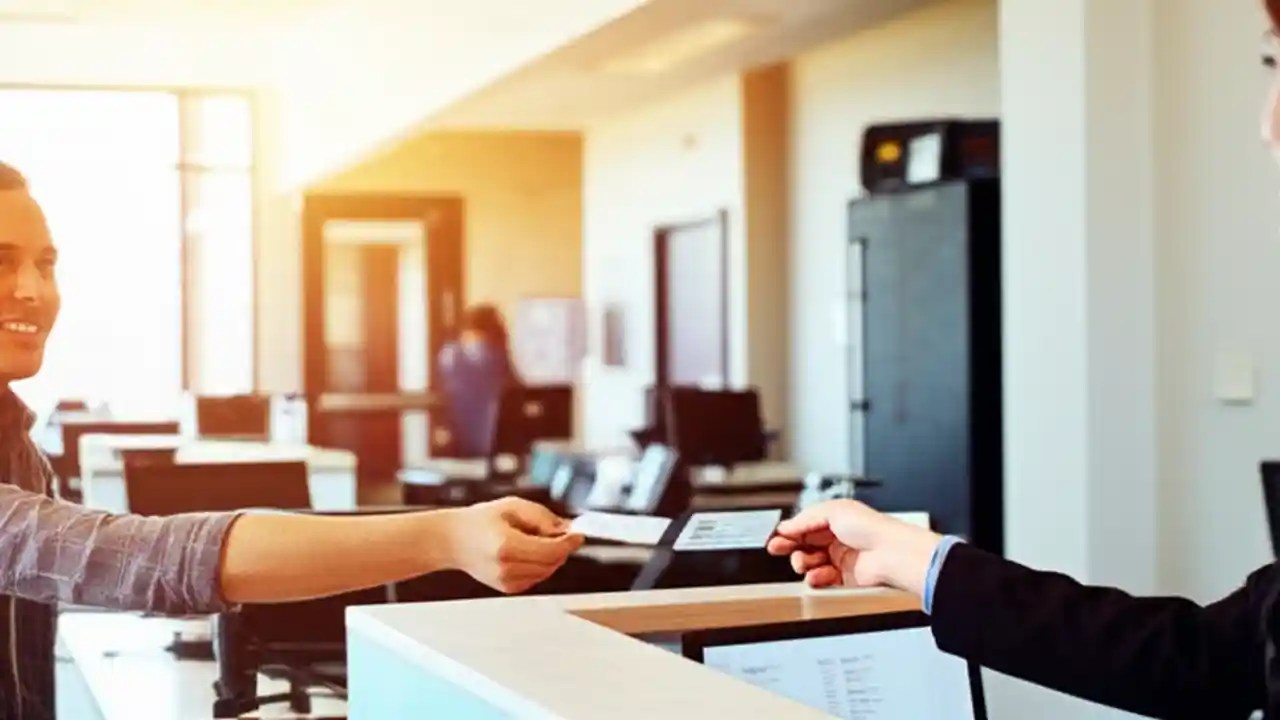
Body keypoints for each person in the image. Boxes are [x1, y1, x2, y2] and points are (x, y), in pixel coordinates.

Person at [0, 162, 583, 719]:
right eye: (3, 262)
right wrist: (446, 535)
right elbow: (144, 559)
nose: (32, 290)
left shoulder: (20, 450)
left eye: (45, 265)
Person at [436, 304, 522, 457]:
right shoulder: (498, 358)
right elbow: (516, 391)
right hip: (496, 440)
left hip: (458, 437)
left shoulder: (450, 355)